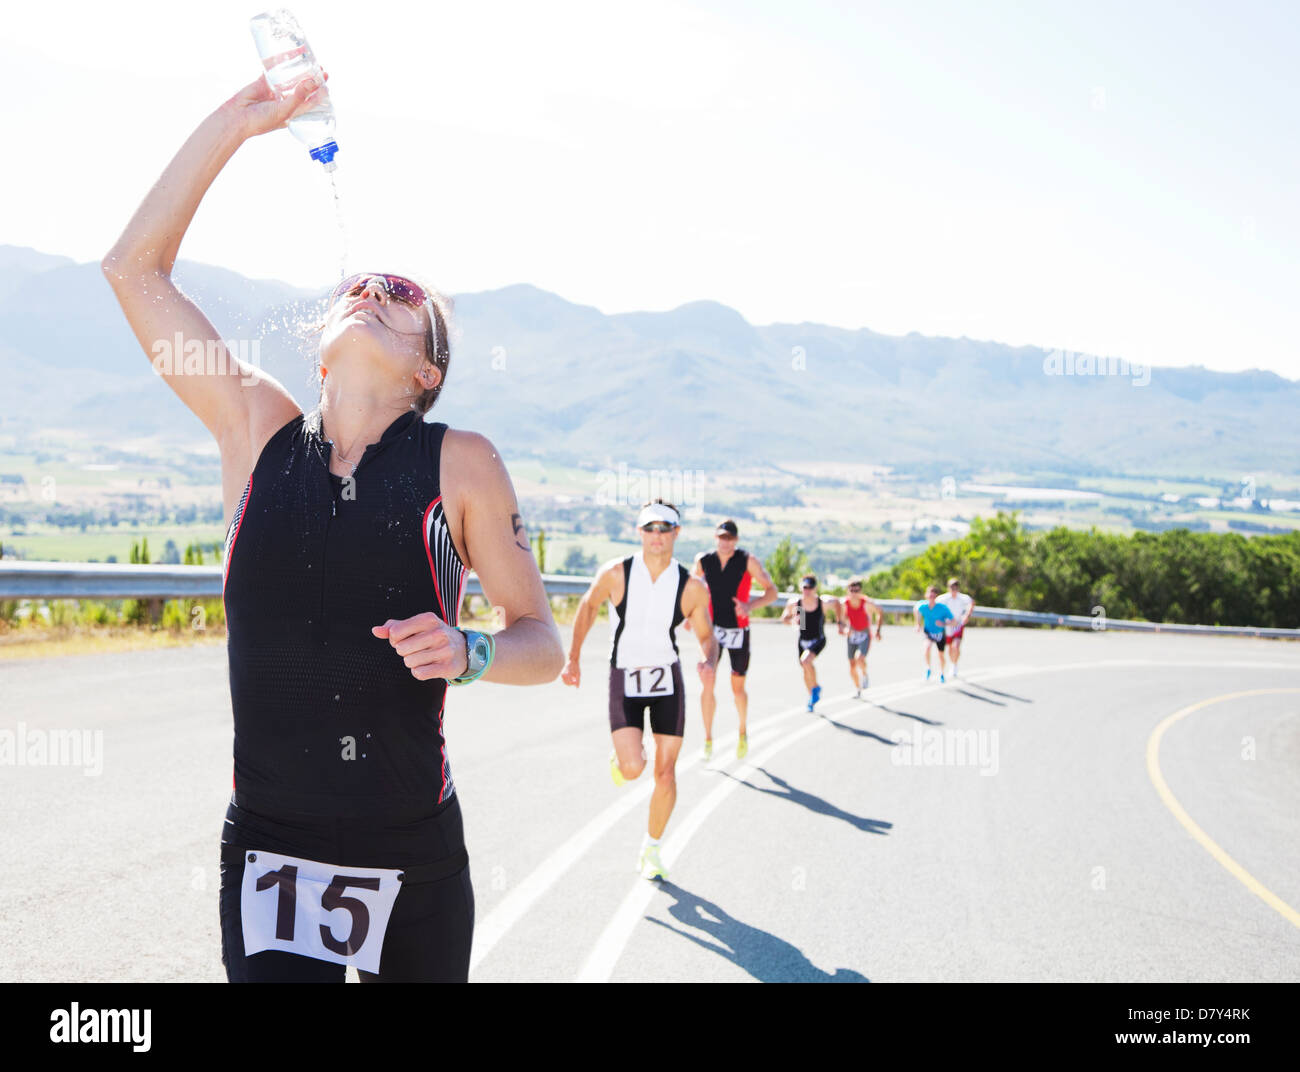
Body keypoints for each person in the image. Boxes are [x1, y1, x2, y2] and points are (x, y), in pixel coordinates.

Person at [102, 73, 564, 983]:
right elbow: (132, 270)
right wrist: (238, 124)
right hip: (272, 847)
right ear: (319, 342)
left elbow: (542, 644)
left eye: (399, 294)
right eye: (359, 285)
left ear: (427, 372)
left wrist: (470, 652)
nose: (370, 290)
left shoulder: (459, 461)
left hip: (412, 849)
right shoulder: (255, 428)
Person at [561, 500, 718, 881]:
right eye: (650, 528)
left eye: (665, 528)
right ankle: (623, 757)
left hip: (667, 680)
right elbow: (587, 604)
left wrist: (708, 662)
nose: (657, 535)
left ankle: (651, 848)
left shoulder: (691, 587)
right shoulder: (617, 573)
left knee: (665, 774)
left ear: (676, 534)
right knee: (634, 769)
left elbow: (708, 637)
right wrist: (574, 658)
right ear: (639, 532)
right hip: (625, 677)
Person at [691, 520, 778, 760]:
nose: (725, 542)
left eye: (729, 538)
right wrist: (691, 614)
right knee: (707, 677)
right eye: (721, 537)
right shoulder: (703, 561)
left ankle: (742, 731)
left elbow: (772, 591)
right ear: (715, 538)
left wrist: (751, 605)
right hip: (712, 630)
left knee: (736, 688)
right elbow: (690, 588)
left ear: (736, 540)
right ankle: (708, 739)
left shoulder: (748, 561)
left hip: (739, 631)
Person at [782, 575, 839, 712]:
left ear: (815, 589)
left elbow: (838, 603)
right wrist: (792, 619)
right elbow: (785, 618)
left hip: (818, 639)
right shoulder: (796, 603)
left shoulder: (822, 602)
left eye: (810, 588)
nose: (807, 591)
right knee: (805, 669)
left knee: (806, 661)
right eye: (805, 588)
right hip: (803, 640)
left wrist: (840, 621)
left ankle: (816, 689)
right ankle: (812, 697)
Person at [837, 577, 883, 698]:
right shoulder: (844, 604)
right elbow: (841, 619)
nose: (854, 593)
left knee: (860, 659)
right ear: (848, 591)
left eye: (856, 590)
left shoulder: (866, 603)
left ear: (860, 591)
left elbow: (880, 612)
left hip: (864, 634)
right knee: (852, 665)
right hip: (852, 635)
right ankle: (858, 688)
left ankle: (864, 674)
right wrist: (844, 628)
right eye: (852, 590)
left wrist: (878, 630)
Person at [914, 585, 955, 684]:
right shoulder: (922, 606)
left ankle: (941, 673)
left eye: (933, 595)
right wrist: (917, 624)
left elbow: (954, 622)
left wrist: (943, 624)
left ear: (936, 596)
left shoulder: (943, 608)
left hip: (940, 633)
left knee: (940, 655)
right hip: (928, 632)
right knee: (926, 648)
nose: (931, 597)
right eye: (929, 595)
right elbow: (915, 609)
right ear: (926, 595)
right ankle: (928, 668)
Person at [938, 578, 975, 678]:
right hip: (948, 626)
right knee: (950, 647)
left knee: (956, 646)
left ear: (958, 588)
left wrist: (967, 615)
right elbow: (936, 608)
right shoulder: (943, 598)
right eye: (951, 587)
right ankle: (952, 662)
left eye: (955, 587)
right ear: (948, 588)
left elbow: (971, 603)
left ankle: (954, 665)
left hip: (958, 625)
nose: (953, 590)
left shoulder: (963, 598)